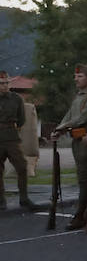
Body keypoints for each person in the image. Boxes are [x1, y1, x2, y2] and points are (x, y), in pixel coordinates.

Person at [50, 64, 87, 228]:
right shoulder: (79, 96)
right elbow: (69, 116)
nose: (76, 79)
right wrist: (58, 130)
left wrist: (62, 128)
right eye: (76, 76)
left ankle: (81, 214)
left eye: (80, 76)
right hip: (78, 141)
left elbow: (82, 118)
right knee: (86, 179)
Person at [0, 71, 35, 211]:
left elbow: (21, 119)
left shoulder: (16, 99)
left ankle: (24, 199)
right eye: (1, 83)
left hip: (12, 137)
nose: (4, 86)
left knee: (22, 166)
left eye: (6, 83)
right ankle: (1, 200)